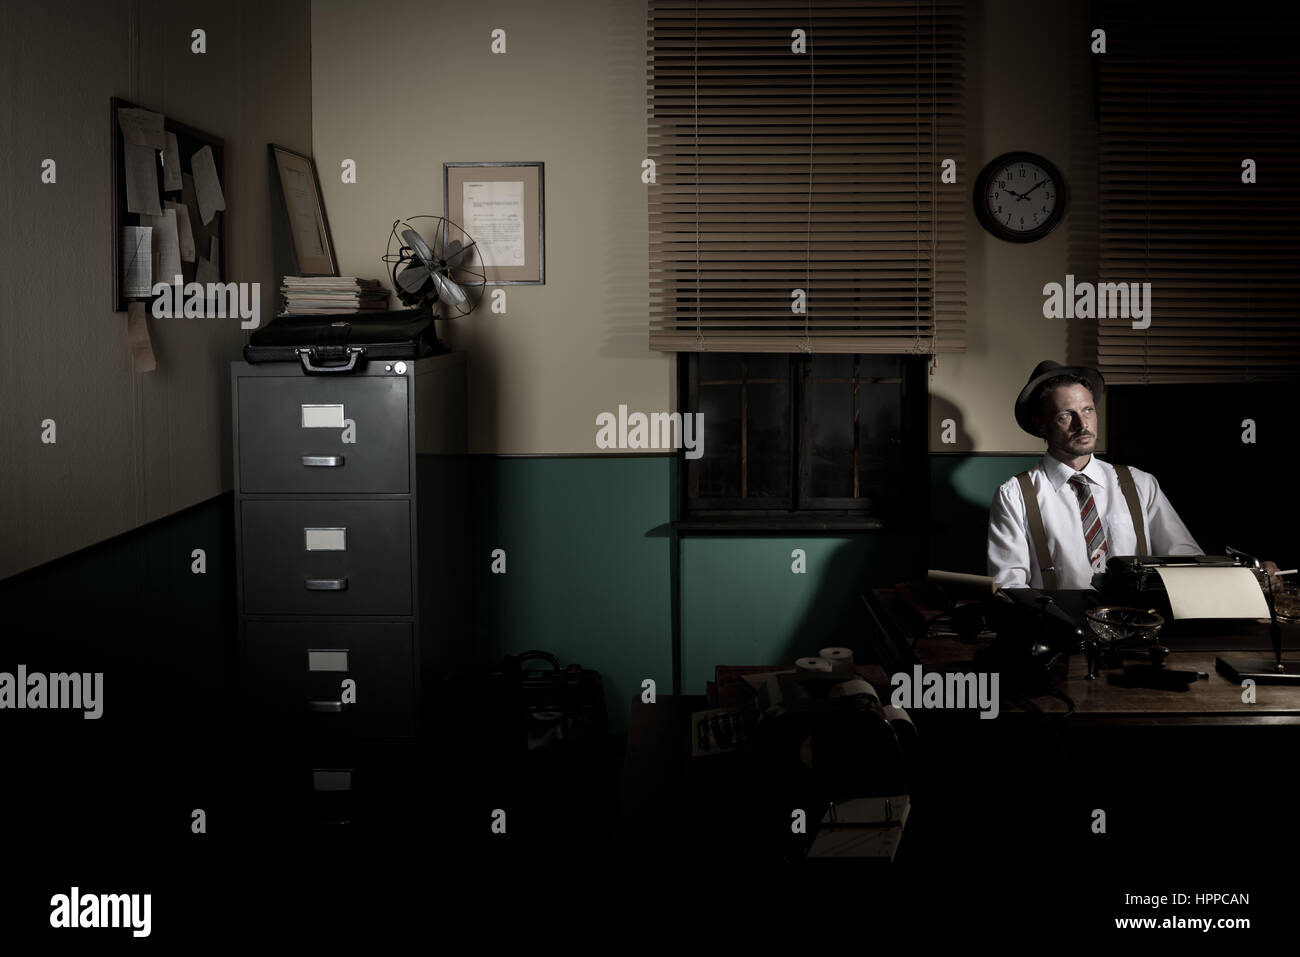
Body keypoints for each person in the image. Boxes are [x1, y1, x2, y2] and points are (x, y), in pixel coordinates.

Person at [986, 360, 1280, 591]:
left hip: (1141, 626)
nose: (1082, 423)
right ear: (1041, 426)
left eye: (1088, 410)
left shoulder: (1140, 483)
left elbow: (1186, 561)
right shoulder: (1015, 495)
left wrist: (1246, 576)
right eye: (1066, 415)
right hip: (1060, 632)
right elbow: (1008, 586)